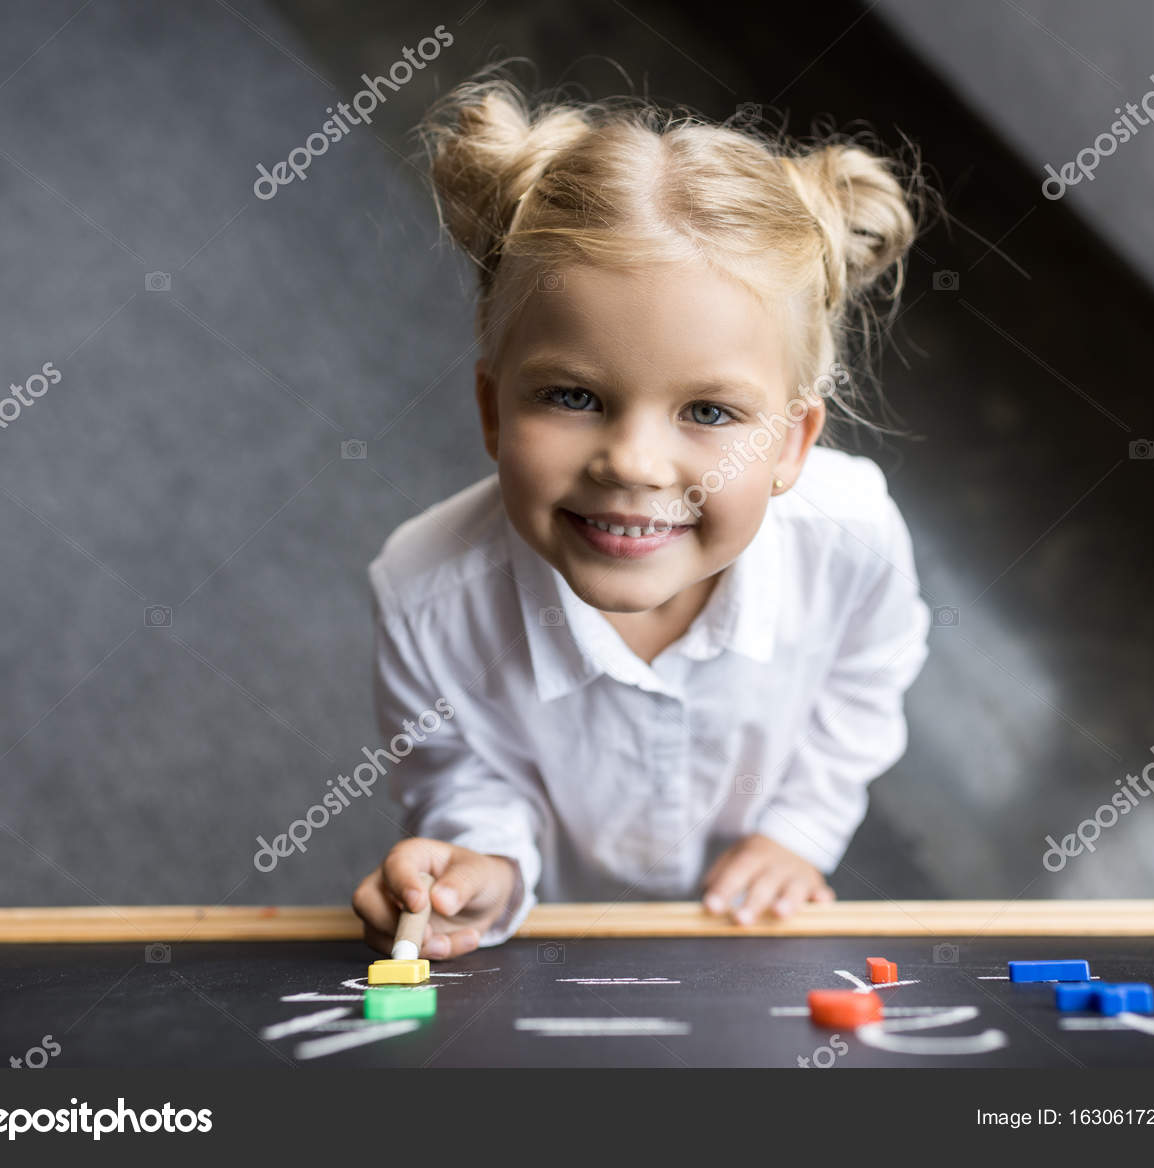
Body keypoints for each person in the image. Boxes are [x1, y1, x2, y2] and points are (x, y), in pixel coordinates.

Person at [352, 71, 931, 958]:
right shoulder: (426, 592)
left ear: (790, 444)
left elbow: (866, 679)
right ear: (492, 410)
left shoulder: (852, 539)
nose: (631, 461)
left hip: (755, 934)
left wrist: (797, 834)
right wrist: (484, 864)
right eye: (573, 394)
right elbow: (464, 771)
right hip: (560, 937)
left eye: (708, 412)